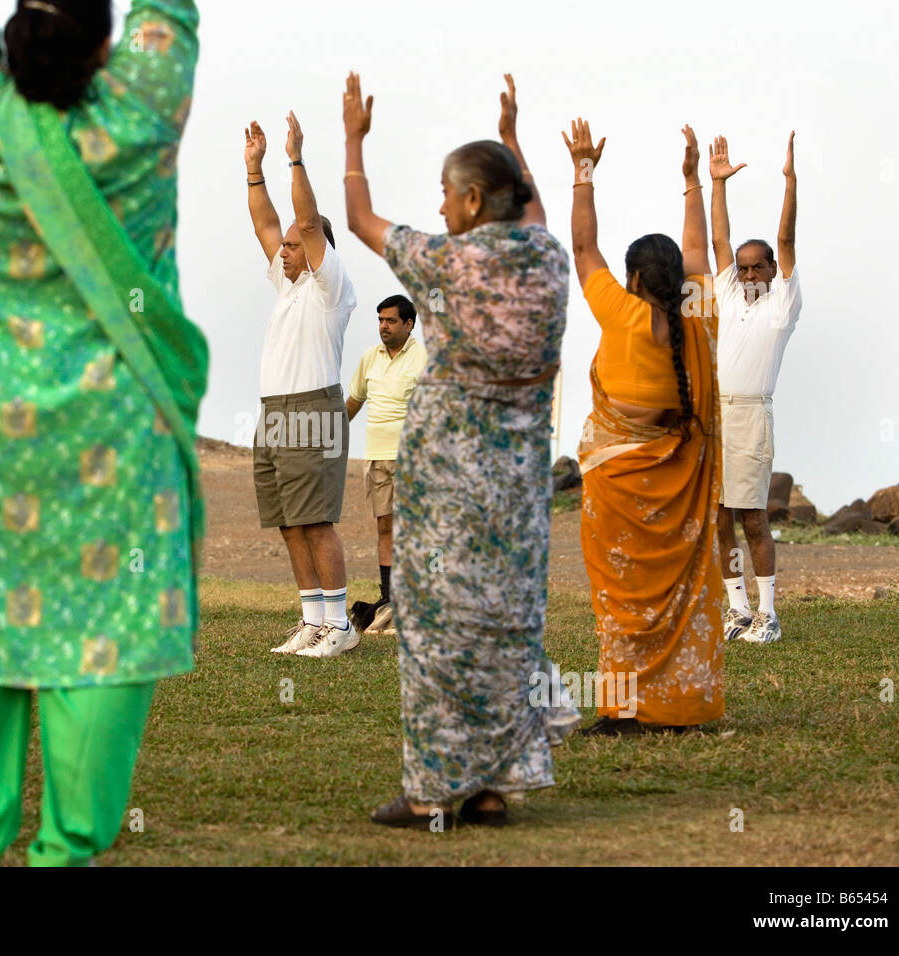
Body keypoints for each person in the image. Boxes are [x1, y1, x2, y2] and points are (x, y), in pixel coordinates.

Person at [0, 0, 207, 866]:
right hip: (110, 438)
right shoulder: (142, 115)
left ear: (0, 36)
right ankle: (66, 851)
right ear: (110, 45)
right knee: (104, 635)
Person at [344, 73, 578, 828]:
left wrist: (352, 136)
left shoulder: (446, 263)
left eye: (448, 195)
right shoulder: (547, 260)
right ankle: (489, 786)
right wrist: (513, 139)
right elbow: (534, 209)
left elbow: (356, 218)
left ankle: (433, 792)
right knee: (507, 629)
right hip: (519, 491)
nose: (441, 207)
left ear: (473, 202)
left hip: (447, 486)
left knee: (438, 632)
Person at [565, 117, 724, 734]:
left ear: (633, 279)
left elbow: (583, 249)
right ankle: (677, 707)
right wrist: (692, 183)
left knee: (621, 599)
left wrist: (584, 171)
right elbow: (698, 255)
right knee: (679, 596)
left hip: (614, 482)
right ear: (679, 285)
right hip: (676, 484)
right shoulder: (699, 315)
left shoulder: (620, 312)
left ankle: (623, 709)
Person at [245, 113, 358, 659]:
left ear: (315, 251)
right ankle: (313, 620)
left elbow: (305, 223)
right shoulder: (286, 285)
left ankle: (339, 624)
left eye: (293, 245)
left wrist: (294, 158)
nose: (284, 249)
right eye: (283, 247)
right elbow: (266, 223)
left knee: (315, 519)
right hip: (276, 411)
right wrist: (254, 170)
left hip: (315, 409)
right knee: (290, 522)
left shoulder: (329, 286)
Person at [710, 133, 800, 645]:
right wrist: (716, 184)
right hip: (717, 415)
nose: (747, 273)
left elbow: (786, 240)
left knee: (753, 516)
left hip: (750, 414)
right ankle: (737, 609)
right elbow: (720, 239)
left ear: (770, 270)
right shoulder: (730, 292)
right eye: (742, 268)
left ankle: (768, 615)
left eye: (756, 267)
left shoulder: (782, 302)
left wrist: (789, 182)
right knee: (718, 517)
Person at [345, 293, 427, 635]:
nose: (384, 326)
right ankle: (389, 599)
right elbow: (353, 401)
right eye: (380, 320)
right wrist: (328, 439)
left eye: (391, 321)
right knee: (385, 529)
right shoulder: (370, 358)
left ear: (409, 324)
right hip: (378, 458)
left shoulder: (425, 357)